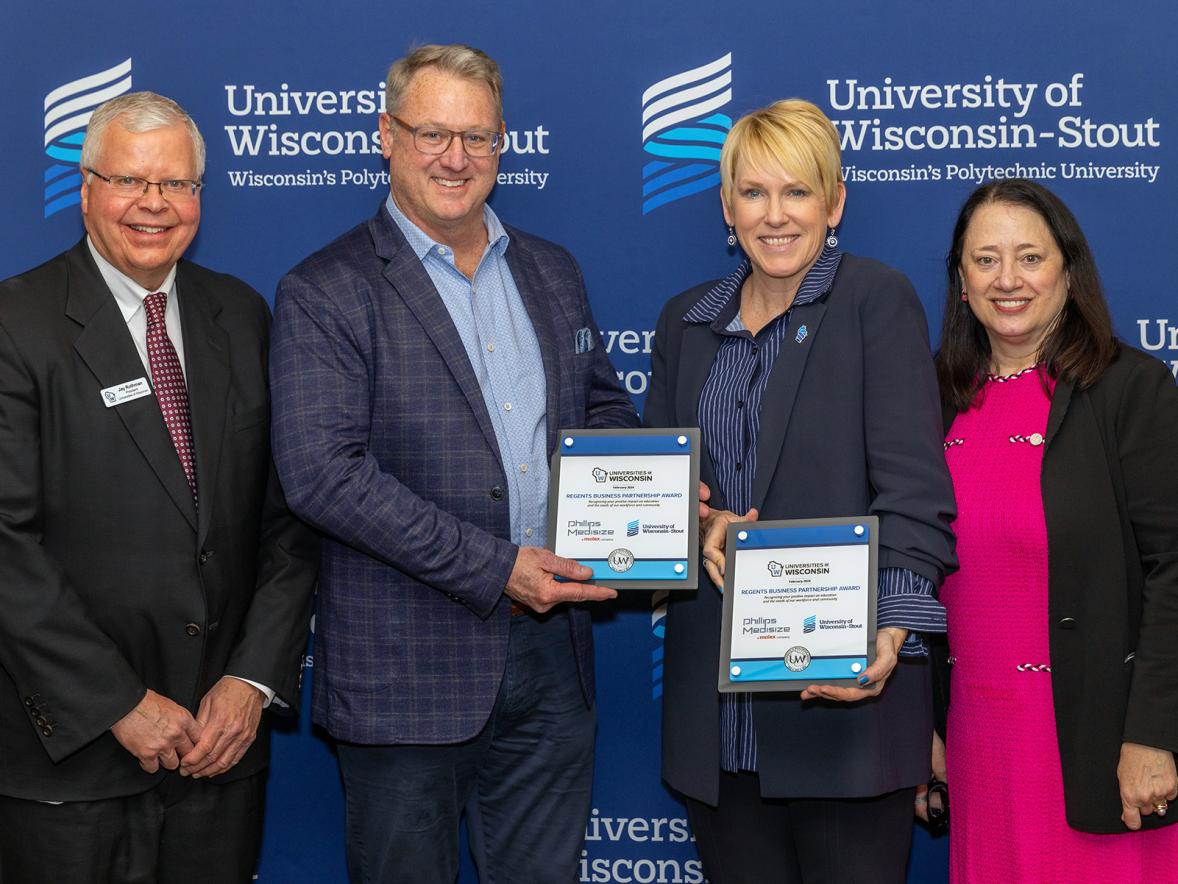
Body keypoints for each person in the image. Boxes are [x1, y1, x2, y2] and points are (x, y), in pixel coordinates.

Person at [269, 43, 638, 884]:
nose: (455, 157)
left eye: (477, 136)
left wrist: (647, 485)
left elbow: (600, 409)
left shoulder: (551, 270)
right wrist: (497, 567)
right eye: (432, 132)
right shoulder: (325, 290)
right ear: (386, 136)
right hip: (407, 674)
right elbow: (324, 474)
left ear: (504, 143)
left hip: (552, 661)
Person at [0, 91, 318, 882]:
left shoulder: (241, 316)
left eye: (176, 185)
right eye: (129, 181)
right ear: (85, 191)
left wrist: (250, 683)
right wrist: (117, 703)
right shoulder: (17, 323)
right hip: (69, 761)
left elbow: (288, 524)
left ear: (200, 198)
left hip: (219, 755)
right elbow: (7, 546)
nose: (153, 204)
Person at [643, 98, 957, 883]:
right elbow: (659, 500)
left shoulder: (873, 301)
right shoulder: (686, 321)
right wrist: (698, 522)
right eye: (753, 193)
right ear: (726, 206)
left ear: (835, 201)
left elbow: (915, 490)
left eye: (797, 192)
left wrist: (891, 629)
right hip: (717, 719)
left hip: (841, 700)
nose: (775, 216)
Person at [927, 178, 1178, 882]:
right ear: (961, 281)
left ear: (1068, 272)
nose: (1008, 279)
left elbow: (1174, 567)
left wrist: (1155, 735)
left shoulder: (1130, 389)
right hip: (979, 745)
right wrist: (925, 726)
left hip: (1099, 748)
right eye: (985, 260)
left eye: (1029, 257)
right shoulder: (935, 399)